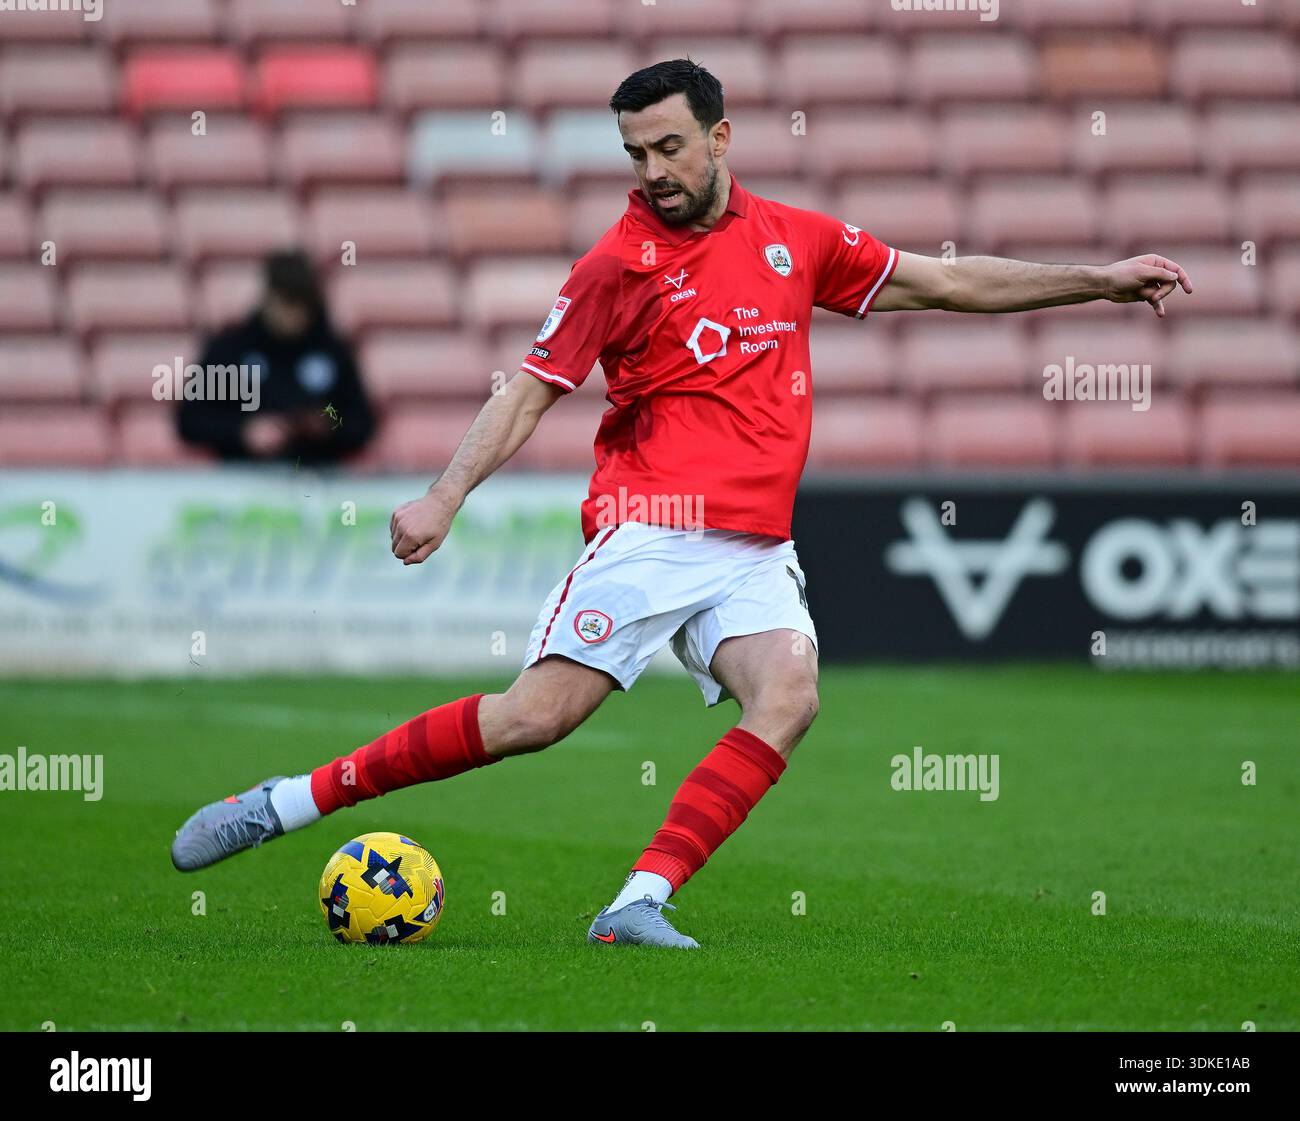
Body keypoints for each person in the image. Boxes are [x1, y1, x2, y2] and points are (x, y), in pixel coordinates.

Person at [170, 60, 1192, 948]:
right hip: (650, 528)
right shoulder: (617, 264)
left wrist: (1094, 284)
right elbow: (530, 386)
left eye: (667, 146)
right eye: (633, 153)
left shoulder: (798, 239)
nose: (651, 171)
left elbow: (949, 285)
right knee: (533, 720)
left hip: (753, 548)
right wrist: (445, 494)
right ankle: (283, 800)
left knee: (789, 694)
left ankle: (636, 900)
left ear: (720, 135)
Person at [178, 249, 375, 464]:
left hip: (317, 478)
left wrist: (327, 427)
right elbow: (189, 420)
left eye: (301, 306)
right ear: (268, 297)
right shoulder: (231, 348)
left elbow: (362, 423)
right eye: (286, 304)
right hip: (242, 479)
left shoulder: (332, 351)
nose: (293, 316)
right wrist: (243, 431)